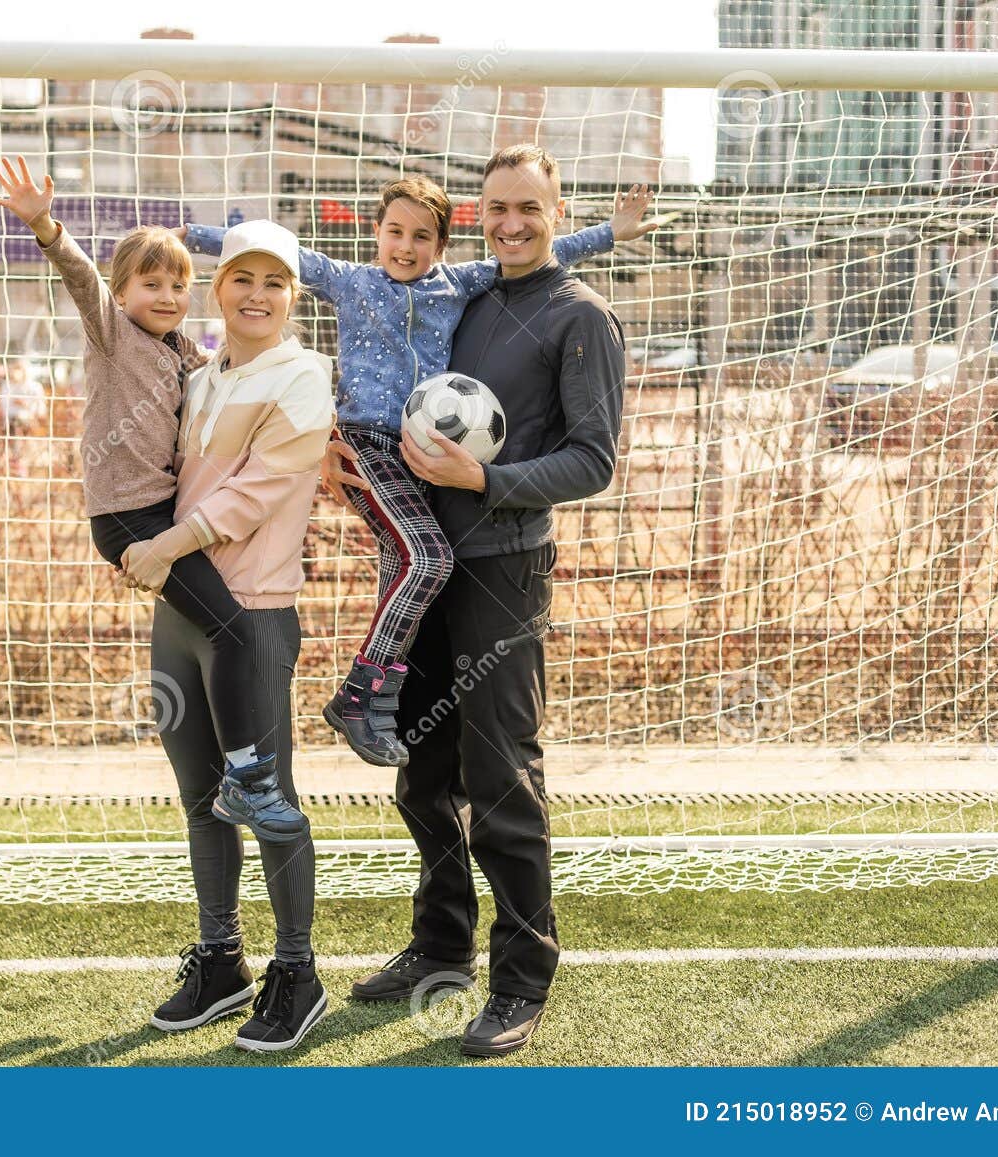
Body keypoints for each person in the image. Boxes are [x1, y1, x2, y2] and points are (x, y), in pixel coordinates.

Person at [180, 177, 658, 768]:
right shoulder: (351, 282)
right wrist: (194, 237)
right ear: (376, 233)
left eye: (422, 237)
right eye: (394, 232)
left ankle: (379, 699)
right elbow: (283, 254)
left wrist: (613, 233)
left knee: (405, 564)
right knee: (428, 559)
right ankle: (362, 690)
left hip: (418, 450)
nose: (405, 247)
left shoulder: (457, 285)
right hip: (365, 445)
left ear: (441, 244)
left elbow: (544, 251)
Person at [332, 146, 629, 1057]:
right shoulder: (459, 298)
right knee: (422, 772)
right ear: (479, 214)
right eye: (496, 208)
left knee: (502, 778)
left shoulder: (581, 317)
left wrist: (485, 474)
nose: (511, 223)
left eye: (528, 208)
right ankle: (440, 945)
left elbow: (594, 459)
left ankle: (522, 976)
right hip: (425, 563)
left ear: (555, 210)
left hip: (505, 568)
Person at [0, 157, 305, 842]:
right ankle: (247, 777)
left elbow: (234, 383)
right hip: (125, 514)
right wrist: (44, 223)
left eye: (177, 284)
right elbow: (77, 274)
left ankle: (239, 773)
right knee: (234, 630)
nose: (165, 294)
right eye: (149, 283)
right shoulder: (113, 334)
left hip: (164, 517)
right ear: (122, 291)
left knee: (228, 633)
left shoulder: (186, 352)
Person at [119, 219, 336, 1051]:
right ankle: (221, 961)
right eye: (242, 278)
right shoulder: (199, 374)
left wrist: (164, 545)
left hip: (252, 615)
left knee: (267, 796)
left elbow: (256, 491)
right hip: (179, 613)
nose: (257, 294)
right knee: (201, 795)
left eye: (274, 282)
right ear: (220, 289)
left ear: (292, 297)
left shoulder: (305, 376)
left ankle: (298, 971)